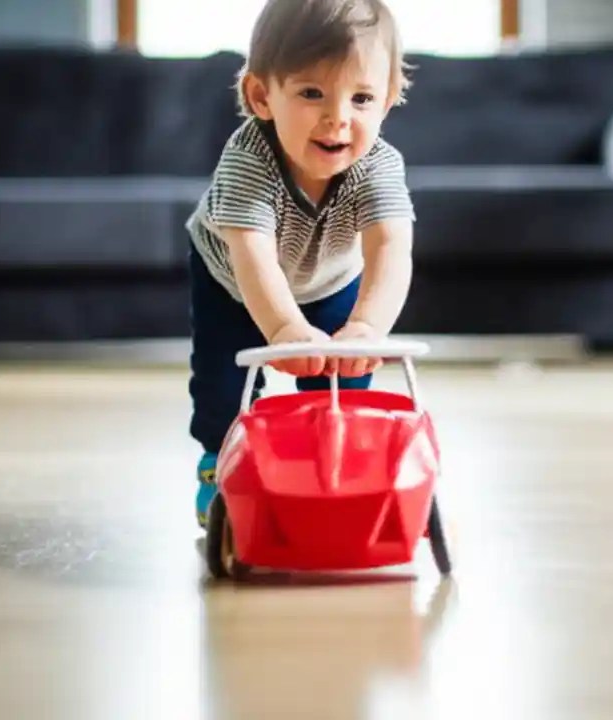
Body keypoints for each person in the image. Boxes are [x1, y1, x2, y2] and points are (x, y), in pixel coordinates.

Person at [184, 0, 416, 526]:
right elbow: (253, 253)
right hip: (234, 277)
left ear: (388, 101)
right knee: (223, 379)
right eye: (312, 93)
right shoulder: (248, 159)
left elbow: (389, 248)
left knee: (343, 384)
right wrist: (285, 328)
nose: (338, 118)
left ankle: (329, 471)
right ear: (262, 96)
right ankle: (216, 463)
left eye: (361, 98)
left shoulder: (379, 166)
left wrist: (365, 327)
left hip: (332, 275)